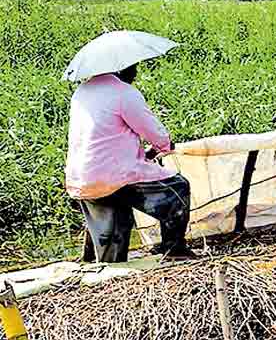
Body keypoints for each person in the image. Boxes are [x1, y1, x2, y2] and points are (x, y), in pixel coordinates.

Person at [65, 63, 194, 263]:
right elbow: (155, 133)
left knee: (112, 244)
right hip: (116, 175)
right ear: (121, 68)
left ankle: (91, 259)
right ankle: (174, 250)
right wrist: (163, 146)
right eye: (133, 67)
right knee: (178, 189)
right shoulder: (123, 93)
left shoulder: (81, 92)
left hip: (81, 178)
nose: (135, 72)